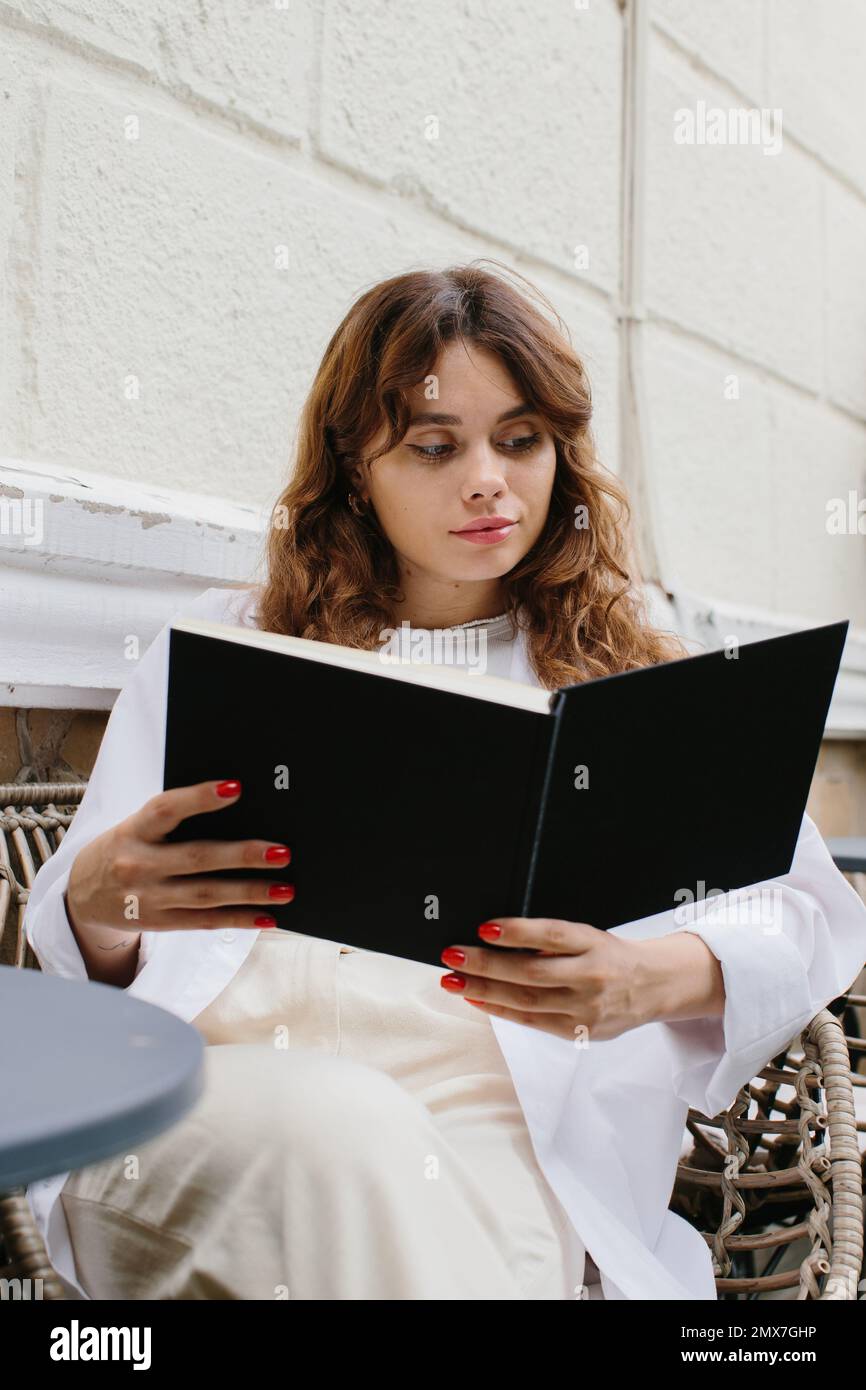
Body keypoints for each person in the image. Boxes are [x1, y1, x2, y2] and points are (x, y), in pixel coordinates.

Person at [24, 263, 866, 1301]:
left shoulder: (627, 685)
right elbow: (93, 956)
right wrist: (99, 903)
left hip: (503, 1145)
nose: (487, 480)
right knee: (341, 1125)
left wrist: (653, 977)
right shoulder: (228, 652)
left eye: (518, 441)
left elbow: (803, 916)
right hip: (216, 1109)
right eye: (434, 447)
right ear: (355, 468)